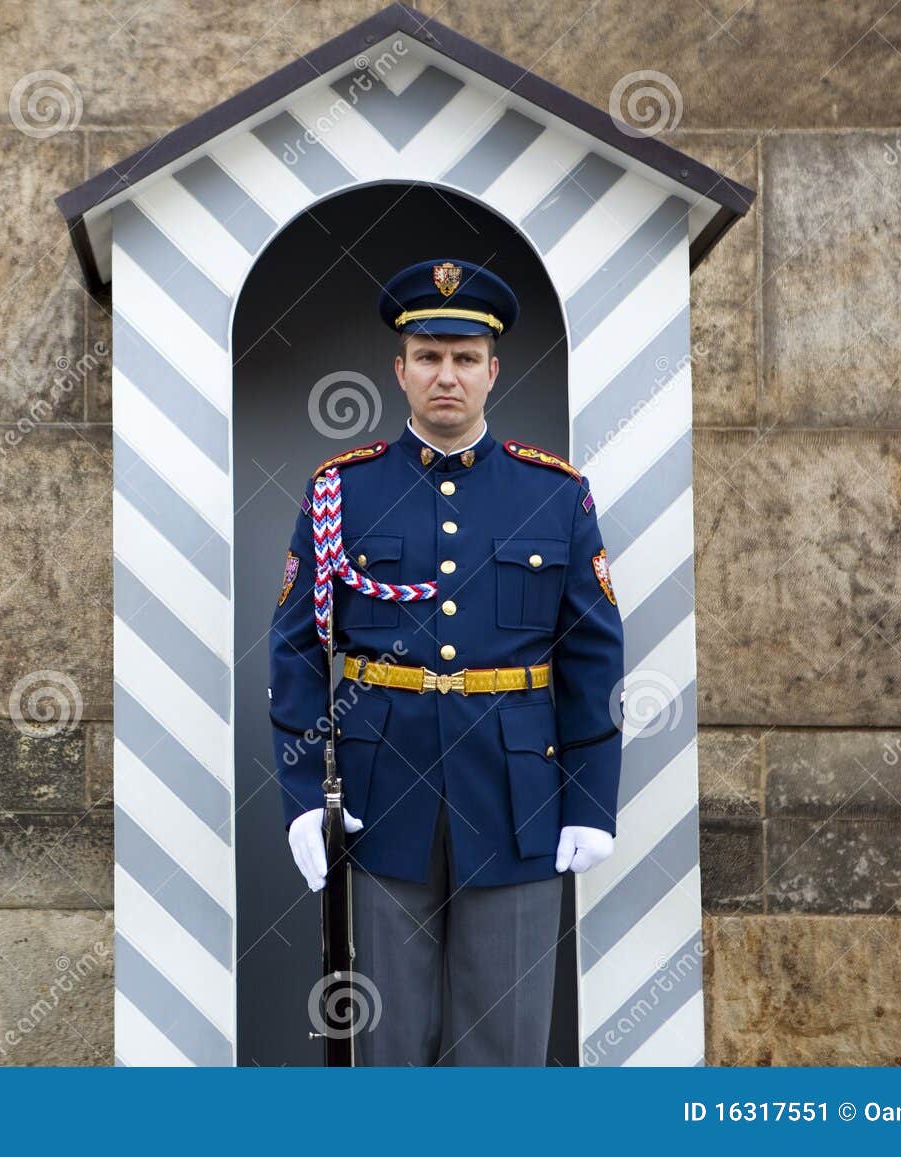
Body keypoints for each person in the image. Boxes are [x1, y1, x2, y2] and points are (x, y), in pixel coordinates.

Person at [267, 258, 625, 1066]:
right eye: (429, 355)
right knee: (389, 1039)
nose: (447, 375)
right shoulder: (340, 492)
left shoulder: (555, 494)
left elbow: (593, 658)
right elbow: (295, 648)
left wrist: (591, 801)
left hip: (517, 795)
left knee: (504, 1043)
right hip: (379, 793)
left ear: (493, 371)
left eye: (466, 358)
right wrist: (299, 797)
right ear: (400, 370)